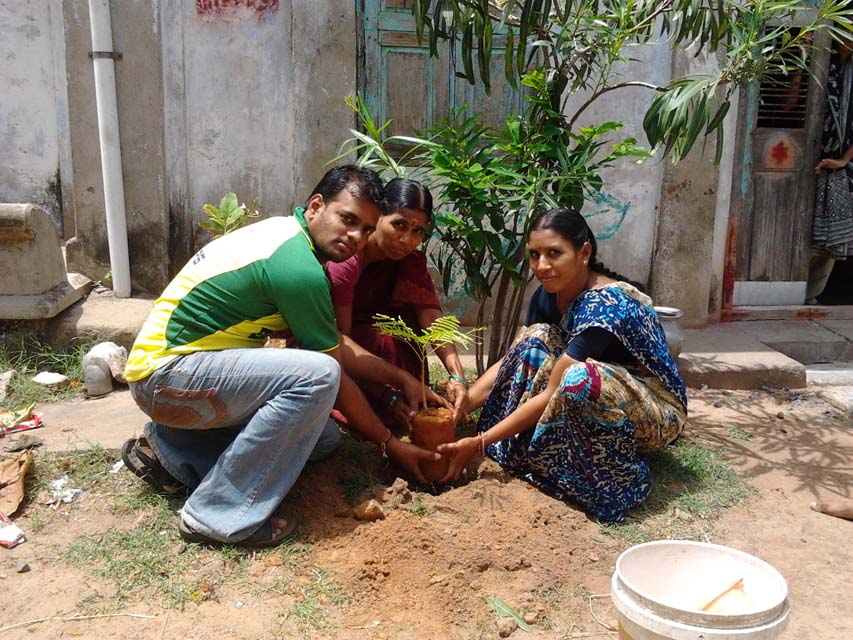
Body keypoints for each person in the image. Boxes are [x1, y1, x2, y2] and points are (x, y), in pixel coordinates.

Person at [121, 165, 443, 548]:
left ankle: (172, 449)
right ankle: (214, 515)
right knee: (319, 375)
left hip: (184, 377)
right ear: (316, 206)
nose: (356, 237)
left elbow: (337, 347)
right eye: (347, 219)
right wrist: (390, 441)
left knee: (321, 439)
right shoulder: (297, 267)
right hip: (165, 378)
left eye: (366, 229)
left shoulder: (290, 238)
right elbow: (335, 365)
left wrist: (401, 380)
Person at [437, 208, 687, 522]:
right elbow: (513, 358)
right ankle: (523, 444)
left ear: (584, 253)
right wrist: (462, 405)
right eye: (535, 255)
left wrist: (480, 442)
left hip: (655, 408)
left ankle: (615, 480)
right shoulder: (548, 294)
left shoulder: (606, 305)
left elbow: (553, 389)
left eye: (554, 253)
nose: (542, 266)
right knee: (535, 338)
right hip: (600, 389)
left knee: (580, 378)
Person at [326, 178, 468, 424]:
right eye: (399, 225)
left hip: (390, 364)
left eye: (417, 231)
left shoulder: (410, 261)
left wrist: (457, 377)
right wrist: (386, 393)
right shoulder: (347, 260)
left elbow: (432, 319)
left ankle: (407, 399)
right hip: (344, 356)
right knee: (383, 339)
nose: (406, 240)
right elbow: (339, 344)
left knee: (406, 328)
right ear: (378, 216)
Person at [808, 37, 853, 303]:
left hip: (840, 166)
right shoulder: (820, 63)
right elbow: (790, 106)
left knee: (832, 236)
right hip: (810, 155)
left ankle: (812, 293)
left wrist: (844, 160)